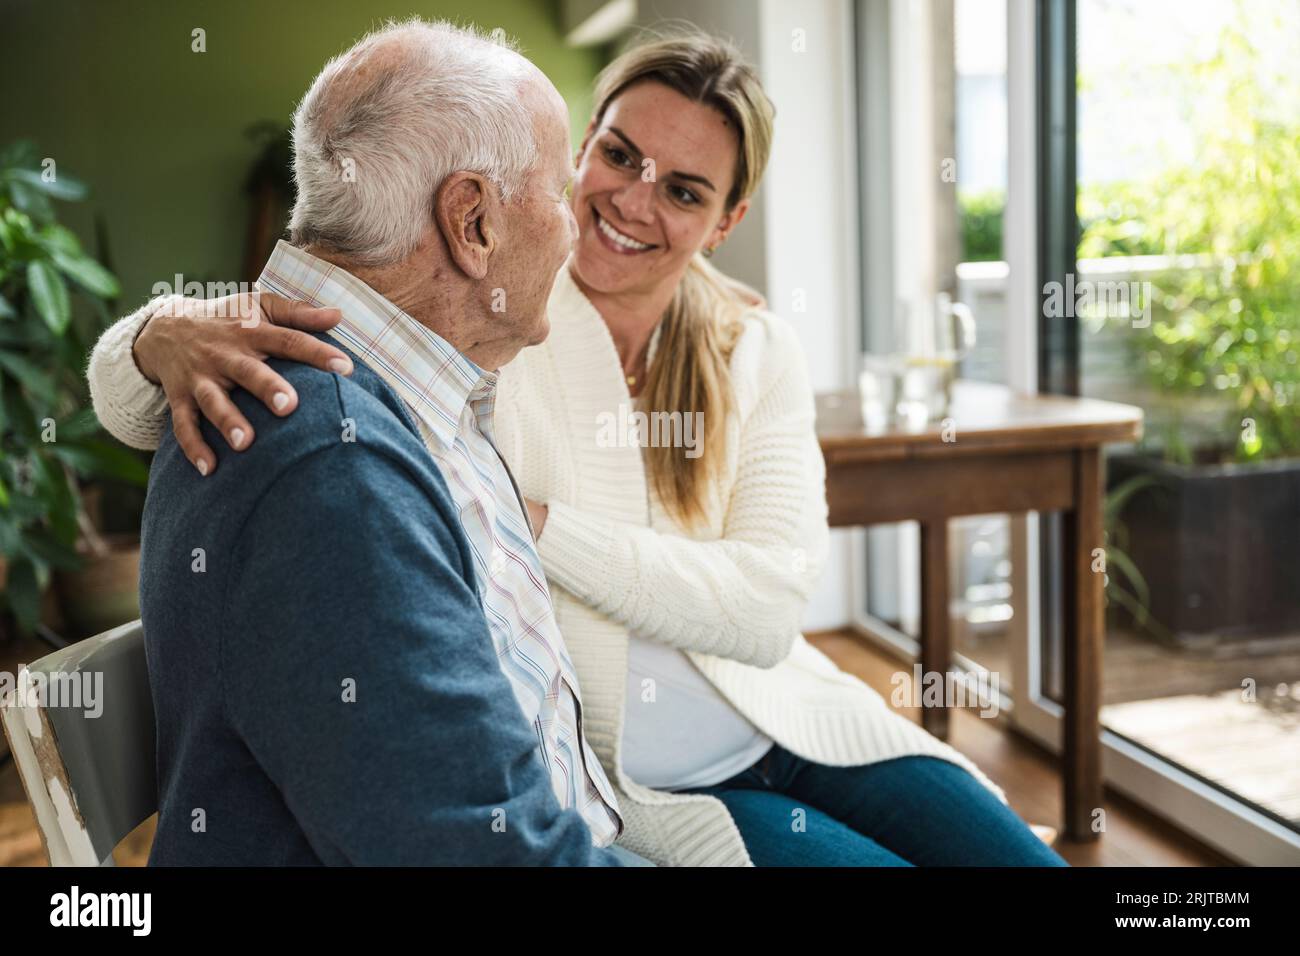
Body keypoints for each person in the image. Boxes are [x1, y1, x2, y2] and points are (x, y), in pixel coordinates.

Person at [91, 29, 1066, 867]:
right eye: (611, 156)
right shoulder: (489, 316)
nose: (630, 202)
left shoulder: (746, 342)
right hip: (638, 774)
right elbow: (300, 326)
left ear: (724, 223)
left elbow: (767, 607)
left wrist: (535, 521)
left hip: (791, 713)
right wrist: (159, 330)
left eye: (684, 190)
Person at [119, 19, 652, 866]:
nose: (575, 227)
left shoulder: (393, 388)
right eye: (557, 191)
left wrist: (156, 328)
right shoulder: (337, 469)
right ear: (471, 220)